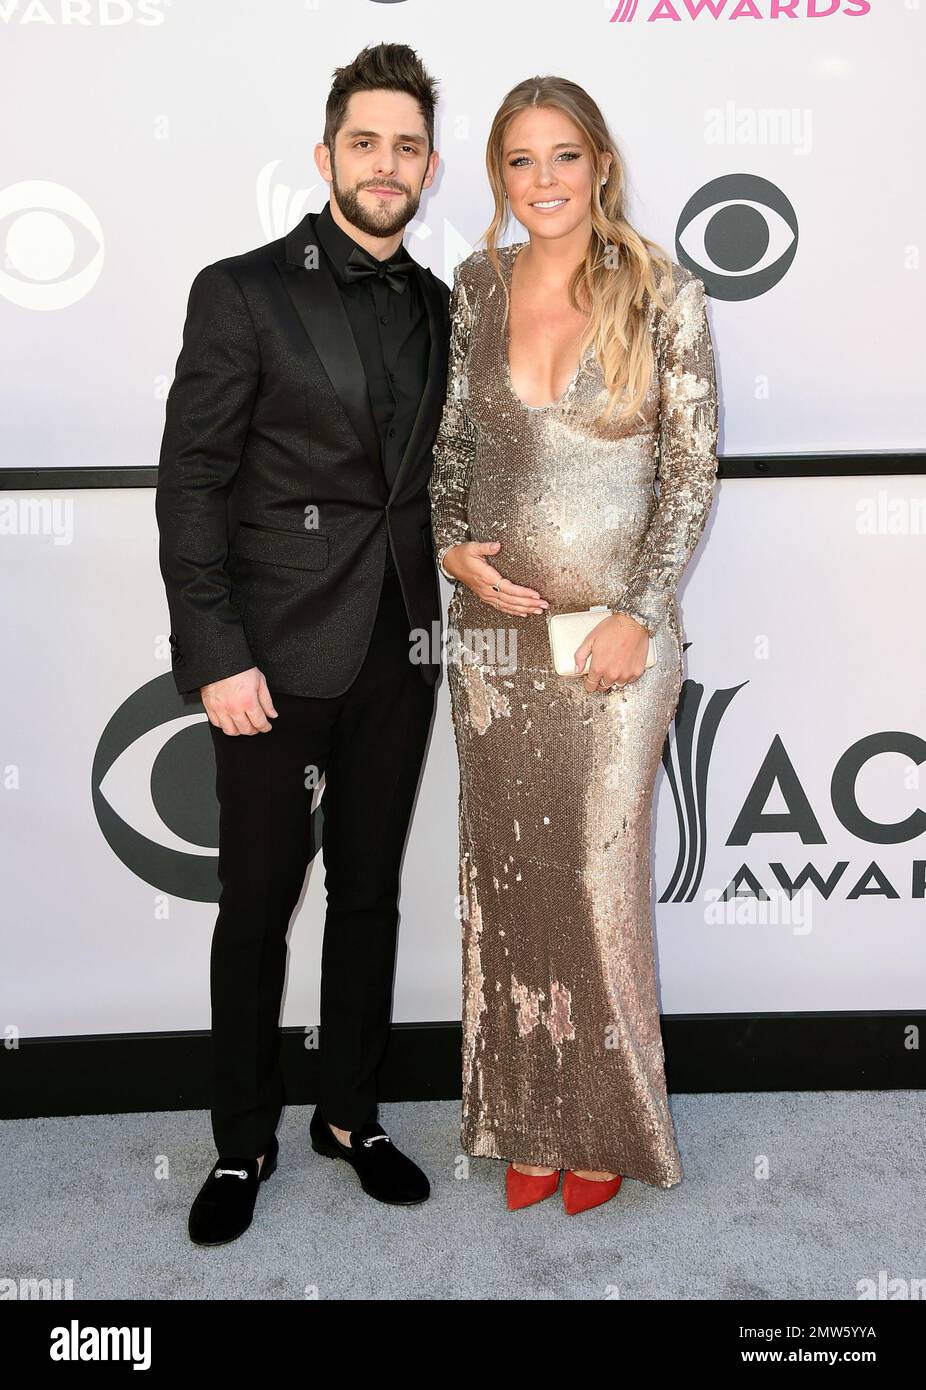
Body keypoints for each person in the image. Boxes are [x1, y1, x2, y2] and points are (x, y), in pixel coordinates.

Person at [155, 43, 450, 1245]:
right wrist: (216, 653)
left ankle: (351, 1113)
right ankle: (242, 1139)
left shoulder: (439, 304)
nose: (388, 165)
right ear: (327, 155)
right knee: (255, 904)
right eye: (366, 142)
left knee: (370, 896)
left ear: (429, 168)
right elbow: (193, 479)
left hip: (401, 647)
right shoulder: (241, 290)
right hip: (269, 659)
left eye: (409, 146)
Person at [428, 75, 719, 1215]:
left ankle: (604, 1125)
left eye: (562, 156)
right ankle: (524, 1122)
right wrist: (451, 546)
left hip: (613, 646)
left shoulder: (659, 288)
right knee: (508, 888)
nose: (541, 181)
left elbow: (689, 472)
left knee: (595, 886)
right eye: (518, 161)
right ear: (497, 178)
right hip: (494, 645)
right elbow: (451, 442)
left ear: (598, 162)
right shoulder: (475, 287)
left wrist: (637, 613)